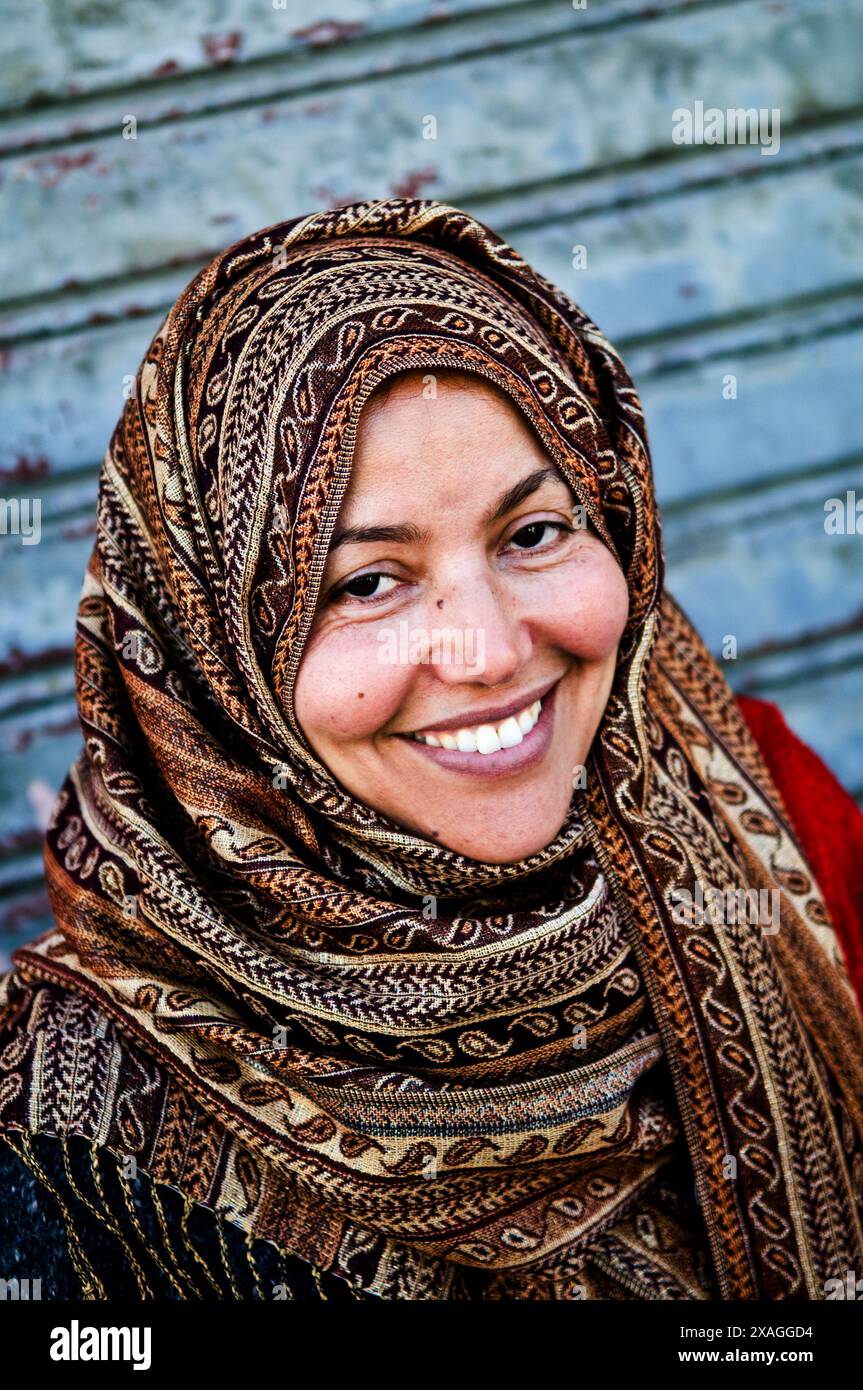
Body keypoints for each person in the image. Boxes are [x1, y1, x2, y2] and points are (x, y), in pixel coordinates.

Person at [0, 197, 861, 1302]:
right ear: (212, 657)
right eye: (365, 582)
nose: (491, 650)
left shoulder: (755, 789)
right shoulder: (66, 1149)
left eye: (534, 532)